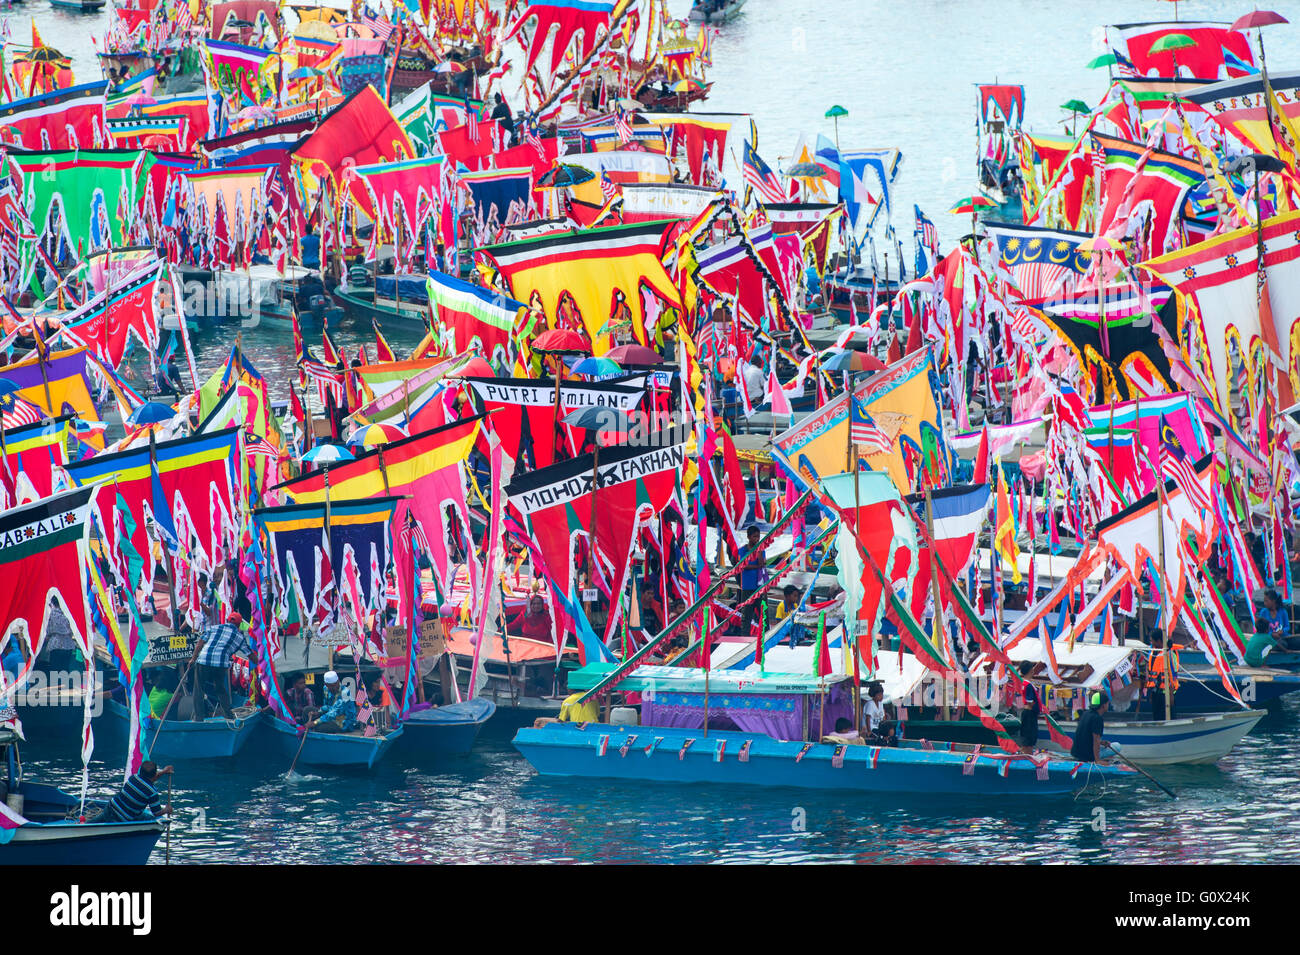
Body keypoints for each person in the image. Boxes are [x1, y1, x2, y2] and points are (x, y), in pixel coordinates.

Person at [192, 612, 248, 721]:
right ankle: (228, 715)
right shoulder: (239, 636)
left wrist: (193, 659)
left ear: (227, 620)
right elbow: (249, 653)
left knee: (198, 689)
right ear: (239, 625)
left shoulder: (213, 628)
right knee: (220, 689)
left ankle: (198, 718)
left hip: (203, 660)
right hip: (221, 664)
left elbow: (200, 643)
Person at [102, 761, 173, 823]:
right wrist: (166, 810)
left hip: (110, 808)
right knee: (150, 818)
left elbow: (151, 779)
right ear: (154, 774)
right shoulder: (152, 792)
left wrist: (164, 771)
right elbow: (156, 813)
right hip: (122, 818)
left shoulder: (133, 777)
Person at [1144, 630, 1180, 720]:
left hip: (1166, 694)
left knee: (1168, 718)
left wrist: (1171, 695)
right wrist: (1152, 693)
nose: (1151, 643)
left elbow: (1173, 676)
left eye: (1152, 640)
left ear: (1159, 641)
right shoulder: (1154, 652)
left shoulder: (1170, 654)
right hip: (1156, 693)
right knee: (1157, 718)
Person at [736, 525, 765, 634]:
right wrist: (756, 566)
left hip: (759, 586)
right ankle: (744, 636)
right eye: (754, 537)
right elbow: (742, 566)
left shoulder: (761, 550)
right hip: (747, 586)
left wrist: (759, 552)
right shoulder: (742, 550)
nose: (757, 539)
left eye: (758, 537)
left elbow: (762, 564)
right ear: (748, 537)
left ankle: (766, 634)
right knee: (746, 614)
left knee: (763, 612)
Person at [1070, 692, 1109, 762]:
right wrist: (1097, 760)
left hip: (1075, 753)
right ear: (1103, 705)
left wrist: (1101, 742)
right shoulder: (1097, 718)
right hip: (1087, 756)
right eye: (1107, 703)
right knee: (1117, 746)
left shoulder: (1086, 713)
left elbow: (1086, 737)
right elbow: (1096, 740)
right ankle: (1098, 758)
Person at [1017, 661, 1041, 751]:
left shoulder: (1023, 683)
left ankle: (1025, 753)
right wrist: (1035, 708)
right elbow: (1030, 701)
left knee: (1026, 737)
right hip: (1030, 712)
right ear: (1031, 670)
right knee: (1029, 738)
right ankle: (1027, 754)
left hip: (1027, 712)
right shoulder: (1029, 685)